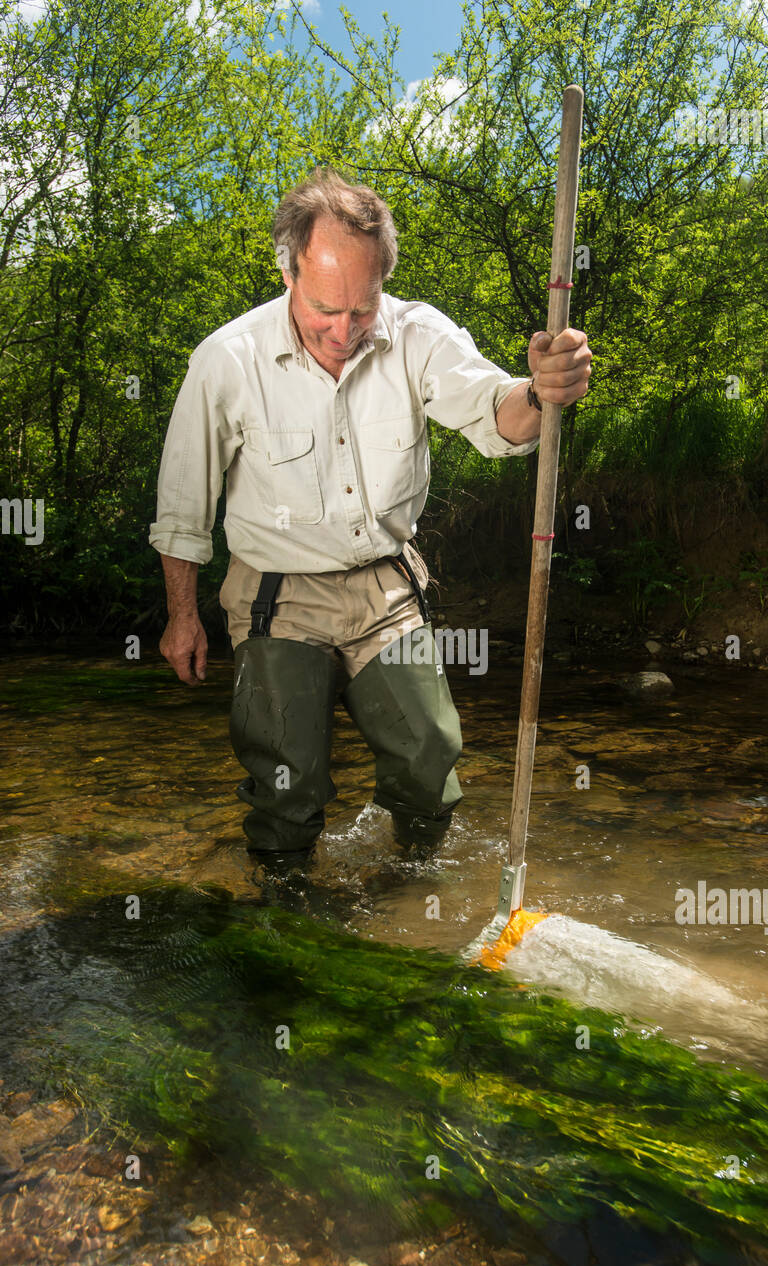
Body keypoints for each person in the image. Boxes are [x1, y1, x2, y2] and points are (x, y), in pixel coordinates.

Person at [150, 168, 592, 866]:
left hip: (386, 591)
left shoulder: (416, 334)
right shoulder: (226, 359)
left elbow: (496, 414)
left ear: (383, 279)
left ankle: (410, 899)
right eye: (326, 309)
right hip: (276, 596)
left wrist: (539, 390)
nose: (344, 330)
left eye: (363, 310)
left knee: (430, 760)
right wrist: (181, 615)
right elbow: (183, 503)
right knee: (288, 783)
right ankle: (283, 917)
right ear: (289, 270)